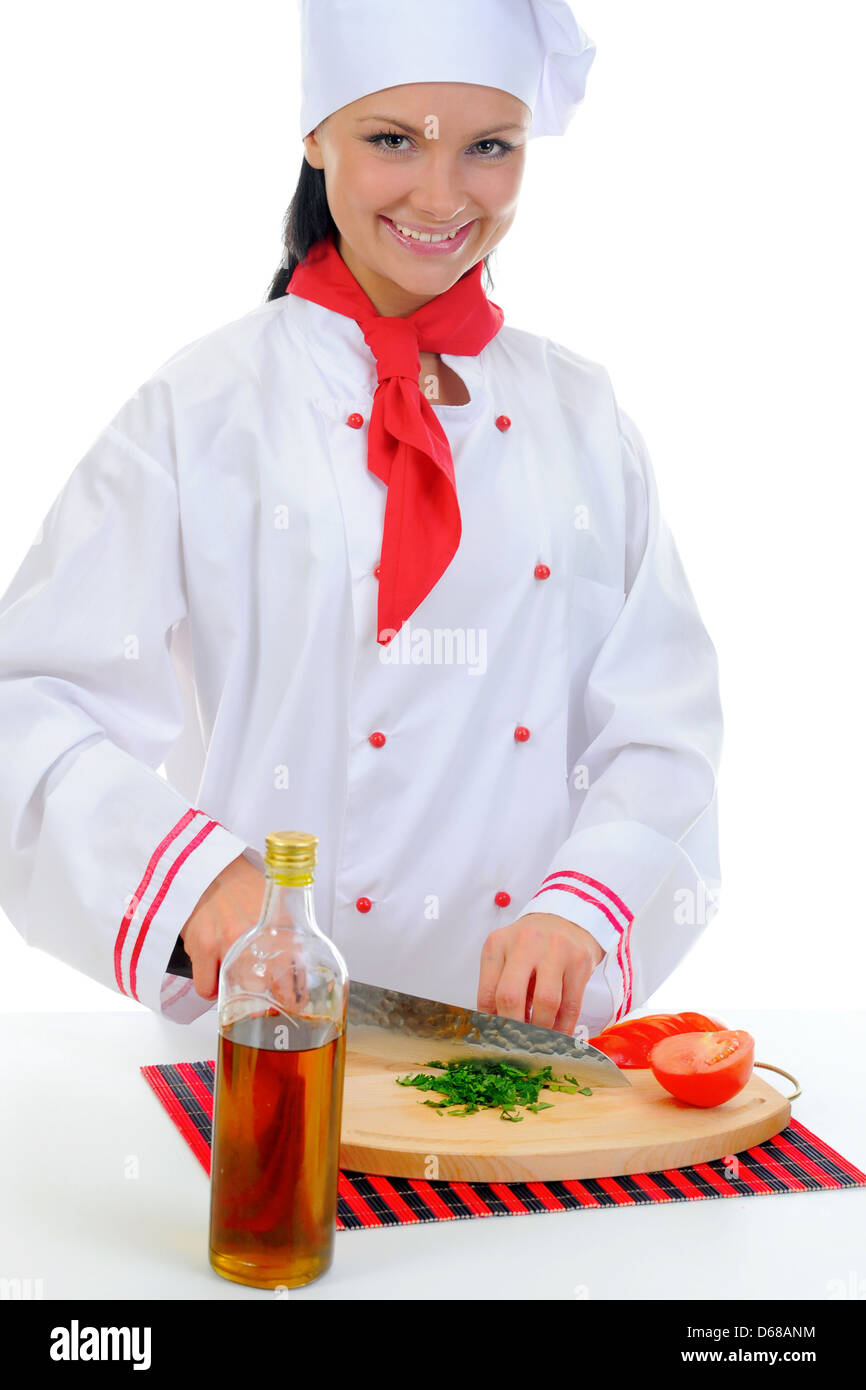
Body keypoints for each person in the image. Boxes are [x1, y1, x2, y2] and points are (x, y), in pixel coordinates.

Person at [0, 0, 722, 1037]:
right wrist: (192, 876)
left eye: (488, 147)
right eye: (392, 140)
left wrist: (583, 908)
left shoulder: (583, 418)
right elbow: (29, 700)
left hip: (518, 1063)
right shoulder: (204, 406)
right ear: (314, 133)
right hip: (265, 1043)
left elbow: (665, 724)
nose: (441, 194)